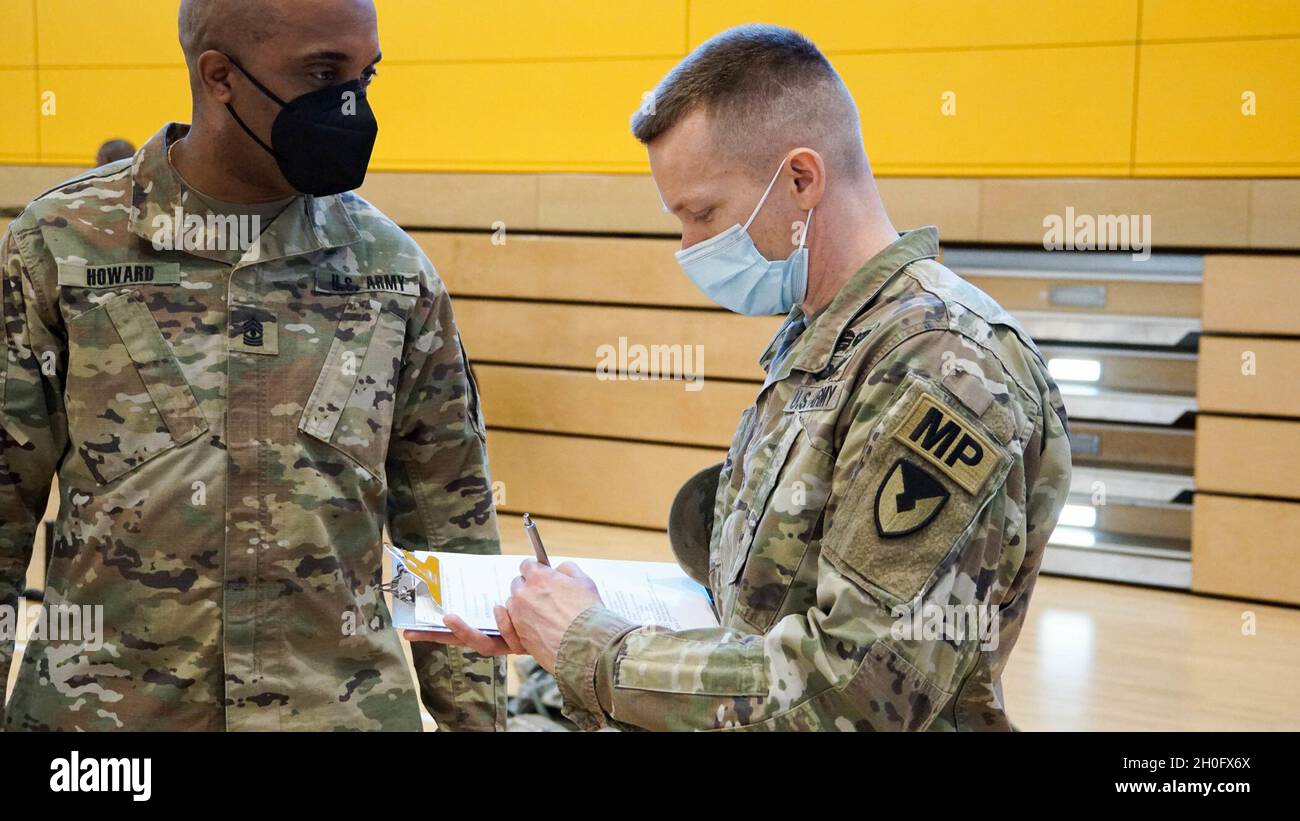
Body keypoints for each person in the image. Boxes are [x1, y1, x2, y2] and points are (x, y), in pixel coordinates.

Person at [415, 24, 1072, 731]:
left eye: (703, 213)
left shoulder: (940, 365)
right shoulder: (824, 338)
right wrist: (583, 625)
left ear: (801, 179)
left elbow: (850, 691)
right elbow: (763, 615)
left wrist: (594, 647)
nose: (689, 247)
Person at [0, 0, 504, 731]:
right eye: (323, 73)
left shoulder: (393, 270)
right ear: (220, 76)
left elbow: (453, 531)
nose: (350, 104)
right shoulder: (60, 247)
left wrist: (477, 721)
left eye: (366, 75)